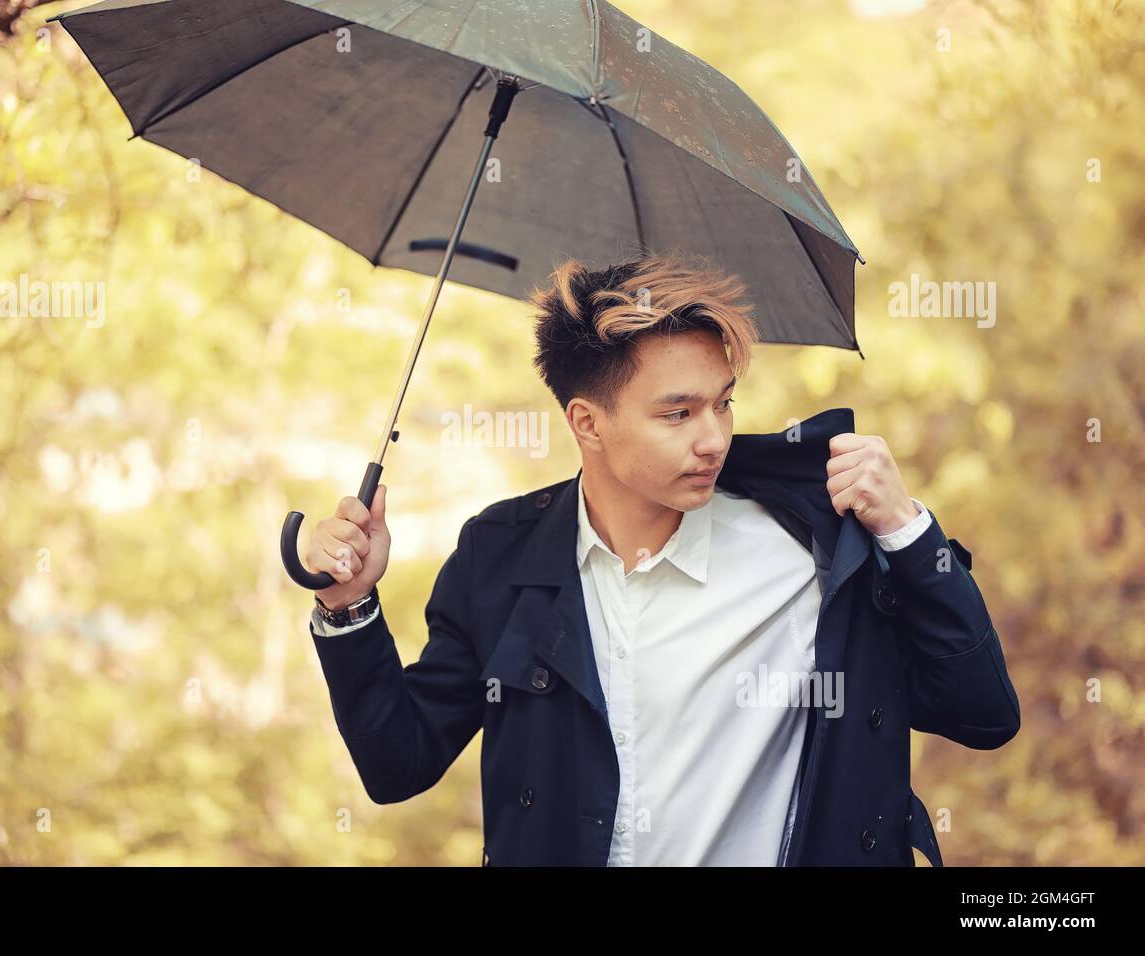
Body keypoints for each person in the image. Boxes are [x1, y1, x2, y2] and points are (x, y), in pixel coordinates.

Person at [303, 252, 1020, 866]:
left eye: (723, 404)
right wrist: (347, 606)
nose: (713, 439)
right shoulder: (500, 556)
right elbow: (398, 764)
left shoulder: (811, 550)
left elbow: (983, 714)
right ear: (588, 423)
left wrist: (906, 530)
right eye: (678, 414)